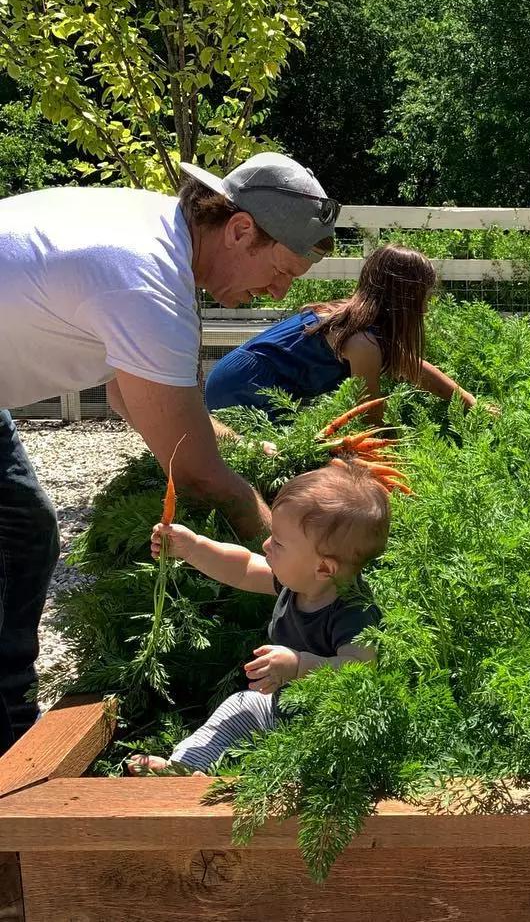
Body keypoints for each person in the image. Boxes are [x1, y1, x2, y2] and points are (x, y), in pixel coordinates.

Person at [0, 151, 337, 753]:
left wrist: (252, 447)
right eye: (281, 270)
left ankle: (8, 724)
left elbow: (130, 397)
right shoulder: (148, 280)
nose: (279, 292)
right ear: (239, 229)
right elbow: (200, 475)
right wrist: (295, 573)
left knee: (21, 531)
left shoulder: (152, 231)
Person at [126, 457, 389, 775]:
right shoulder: (298, 581)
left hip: (331, 728)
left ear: (323, 568)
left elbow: (358, 669)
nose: (265, 544)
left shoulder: (354, 613)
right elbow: (242, 567)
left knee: (314, 768)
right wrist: (193, 548)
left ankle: (246, 783)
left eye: (278, 542)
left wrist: (299, 665)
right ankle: (182, 767)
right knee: (239, 706)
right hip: (280, 710)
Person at [204, 244, 480, 420]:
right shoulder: (362, 342)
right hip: (246, 384)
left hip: (235, 373)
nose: (428, 303)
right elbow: (369, 414)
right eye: (425, 295)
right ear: (406, 298)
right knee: (277, 463)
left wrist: (471, 404)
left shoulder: (356, 320)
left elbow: (412, 367)